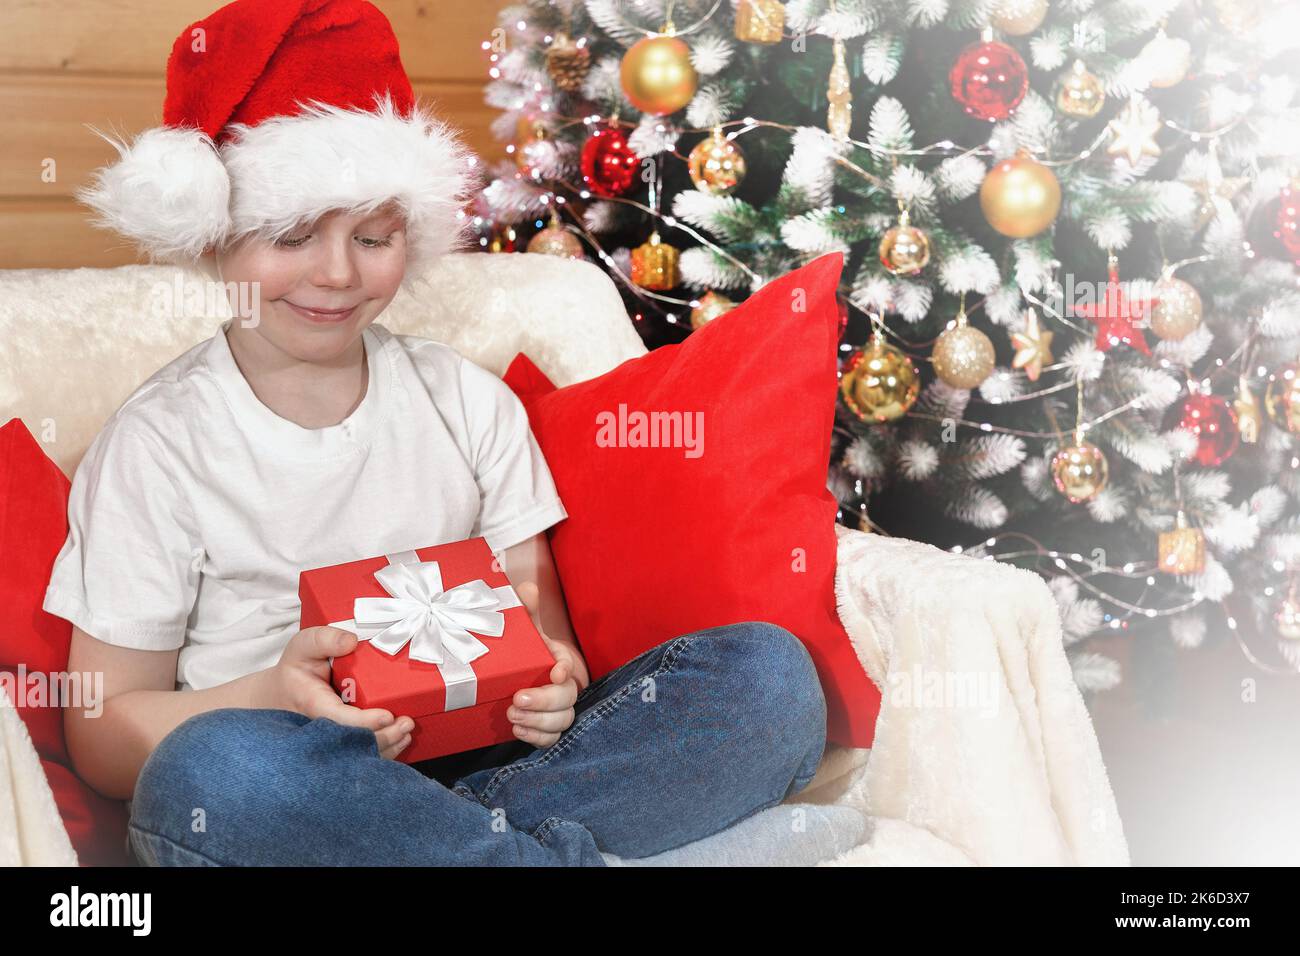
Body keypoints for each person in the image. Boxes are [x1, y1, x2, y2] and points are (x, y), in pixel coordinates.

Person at [43, 0, 827, 866]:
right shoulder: (158, 442)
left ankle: (469, 851)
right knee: (212, 772)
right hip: (299, 784)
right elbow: (105, 734)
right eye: (292, 233)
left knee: (766, 678)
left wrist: (553, 684)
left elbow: (538, 626)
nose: (337, 273)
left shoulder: (466, 402)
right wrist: (275, 692)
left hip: (493, 774)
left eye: (373, 236)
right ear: (213, 238)